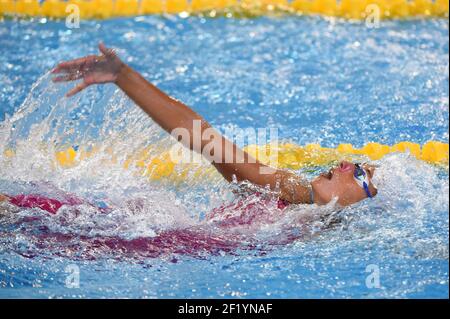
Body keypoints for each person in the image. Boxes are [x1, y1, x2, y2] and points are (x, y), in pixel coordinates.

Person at [0, 43, 377, 215]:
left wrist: (124, 76)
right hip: (141, 243)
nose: (346, 164)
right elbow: (206, 141)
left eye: (360, 174)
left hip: (141, 246)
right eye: (354, 162)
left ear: (355, 208)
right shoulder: (295, 194)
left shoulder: (304, 204)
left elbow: (204, 139)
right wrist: (124, 77)